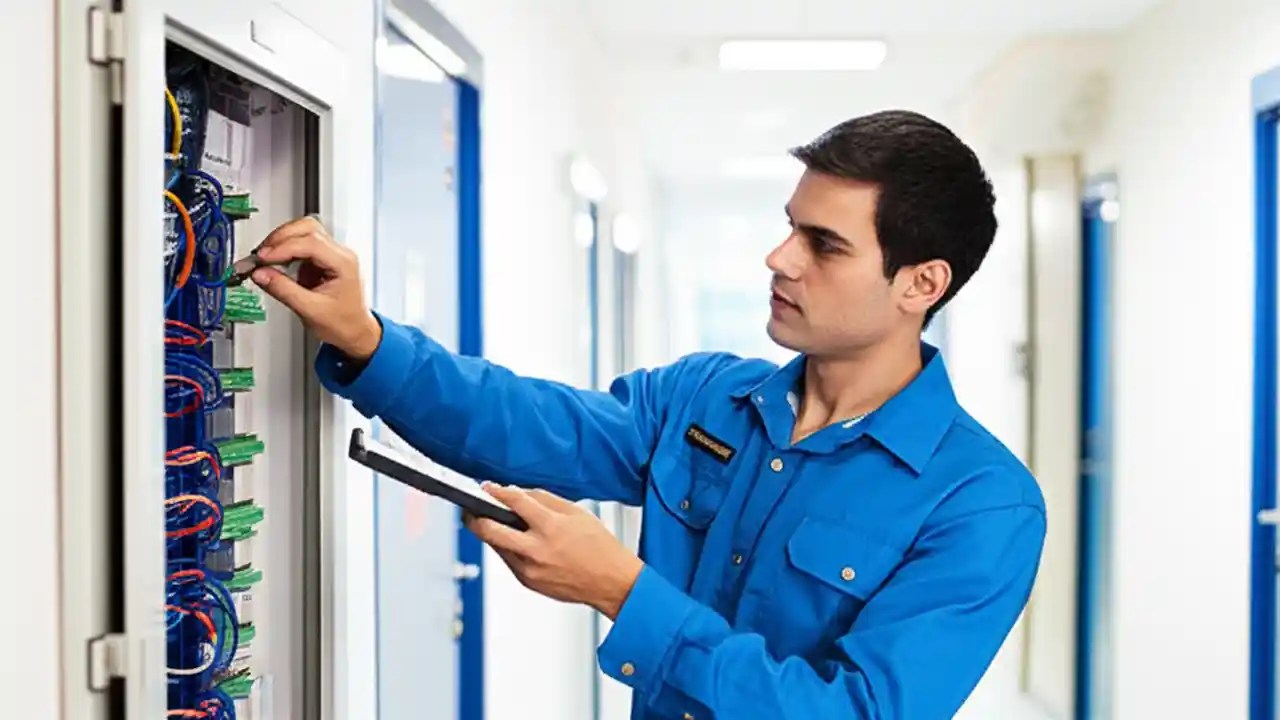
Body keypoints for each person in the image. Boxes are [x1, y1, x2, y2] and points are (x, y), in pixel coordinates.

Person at [250, 109, 1045, 720]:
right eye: (788, 226)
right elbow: (525, 423)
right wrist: (364, 338)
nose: (780, 258)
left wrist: (625, 593)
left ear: (920, 284)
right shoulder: (706, 400)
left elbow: (854, 712)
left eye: (824, 244)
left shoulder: (980, 505)